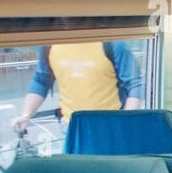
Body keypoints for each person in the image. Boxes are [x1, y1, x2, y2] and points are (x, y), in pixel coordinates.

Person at [8, 40, 144, 133]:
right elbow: (41, 81)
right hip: (70, 129)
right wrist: (25, 115)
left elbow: (134, 85)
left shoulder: (112, 43)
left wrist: (125, 123)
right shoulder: (51, 45)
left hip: (110, 128)